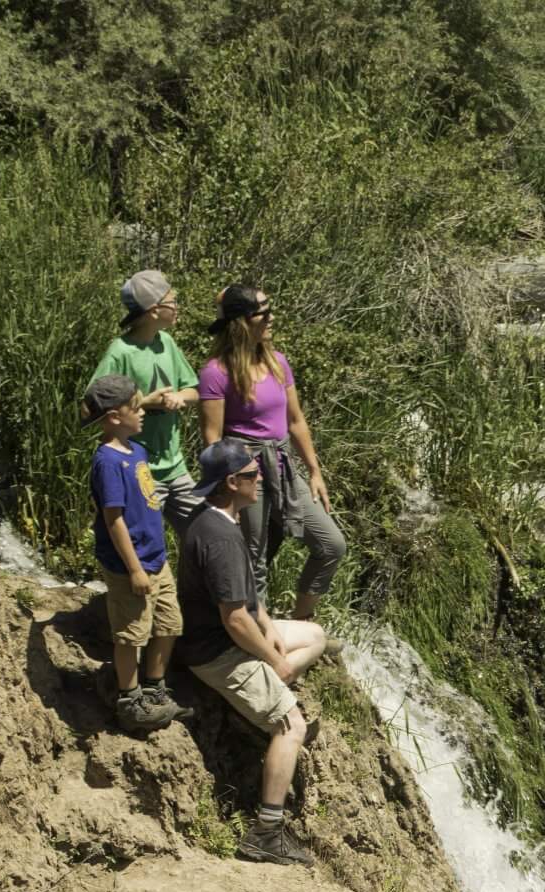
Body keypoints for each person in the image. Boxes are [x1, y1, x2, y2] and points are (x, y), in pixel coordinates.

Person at [173, 441, 336, 866]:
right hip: (219, 652)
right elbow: (234, 620)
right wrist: (273, 657)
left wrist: (269, 628)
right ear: (232, 483)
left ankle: (268, 693)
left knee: (314, 636)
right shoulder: (221, 538)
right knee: (292, 727)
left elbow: (248, 605)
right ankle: (265, 833)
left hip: (233, 637)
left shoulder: (220, 518)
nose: (259, 478)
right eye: (251, 474)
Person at [198, 282, 347, 622]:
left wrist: (314, 471)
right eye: (264, 312)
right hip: (245, 469)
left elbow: (295, 421)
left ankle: (301, 620)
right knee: (254, 556)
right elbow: (212, 439)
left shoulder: (278, 362)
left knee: (330, 545)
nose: (271, 317)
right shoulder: (216, 373)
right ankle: (258, 633)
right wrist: (227, 489)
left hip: (282, 465)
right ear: (243, 321)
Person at [81, 373, 181, 735]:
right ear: (114, 417)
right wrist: (135, 569)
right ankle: (129, 698)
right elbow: (114, 520)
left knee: (169, 623)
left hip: (157, 557)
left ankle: (155, 688)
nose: (142, 413)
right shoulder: (107, 462)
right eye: (135, 407)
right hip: (131, 565)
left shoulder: (136, 450)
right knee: (131, 633)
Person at [90, 270, 203, 525]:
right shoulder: (120, 352)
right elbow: (93, 408)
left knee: (205, 533)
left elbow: (194, 391)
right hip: (141, 469)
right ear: (154, 310)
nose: (177, 307)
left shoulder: (167, 343)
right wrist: (144, 403)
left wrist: (179, 397)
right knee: (144, 540)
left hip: (176, 467)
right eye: (172, 301)